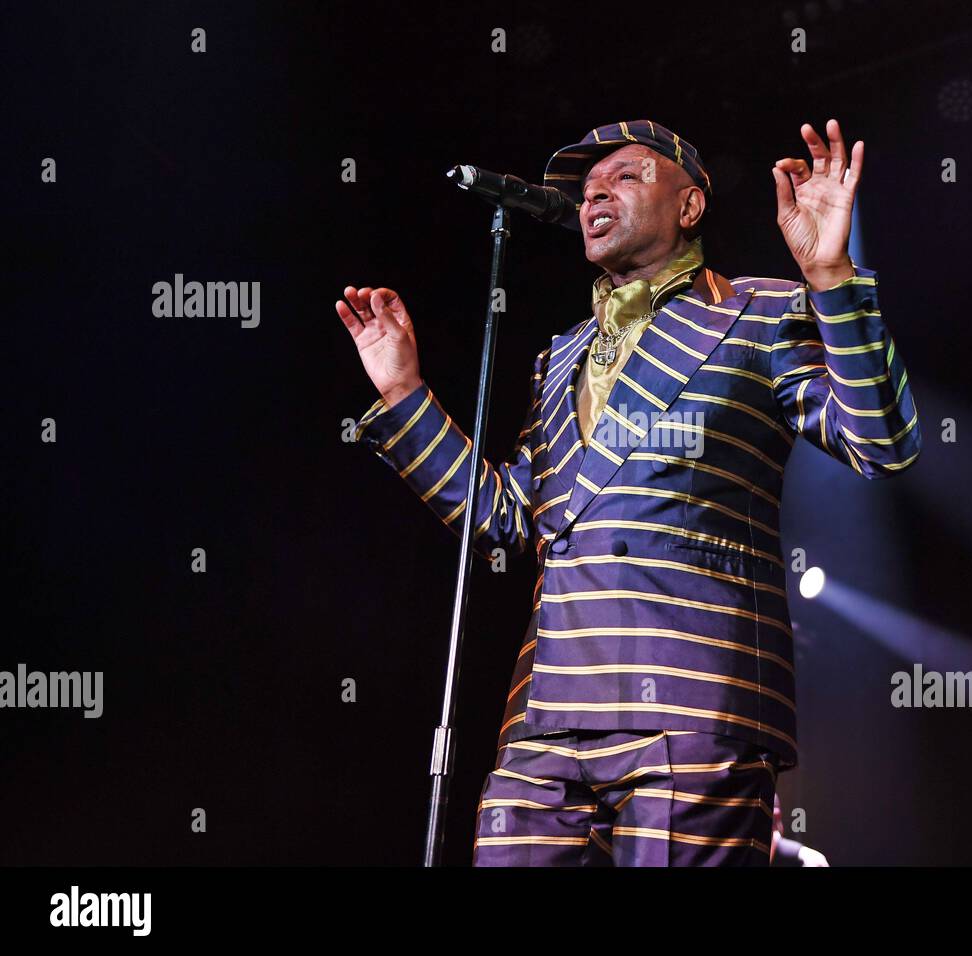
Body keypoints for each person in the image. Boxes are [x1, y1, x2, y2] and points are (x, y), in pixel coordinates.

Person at [335, 119, 921, 866]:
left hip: (690, 699)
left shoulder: (760, 312)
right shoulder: (559, 357)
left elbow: (883, 443)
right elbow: (509, 520)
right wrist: (406, 392)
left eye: (627, 176)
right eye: (586, 189)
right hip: (546, 713)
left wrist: (833, 279)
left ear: (689, 207)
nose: (596, 194)